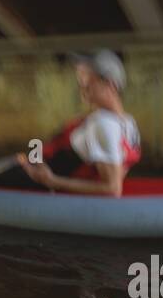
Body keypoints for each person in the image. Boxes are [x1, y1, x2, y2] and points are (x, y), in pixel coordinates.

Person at [17, 50, 140, 197]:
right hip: (34, 170)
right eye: (80, 80)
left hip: (34, 184)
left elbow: (112, 189)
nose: (82, 87)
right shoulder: (129, 123)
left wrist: (53, 181)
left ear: (110, 84)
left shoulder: (102, 123)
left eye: (88, 81)